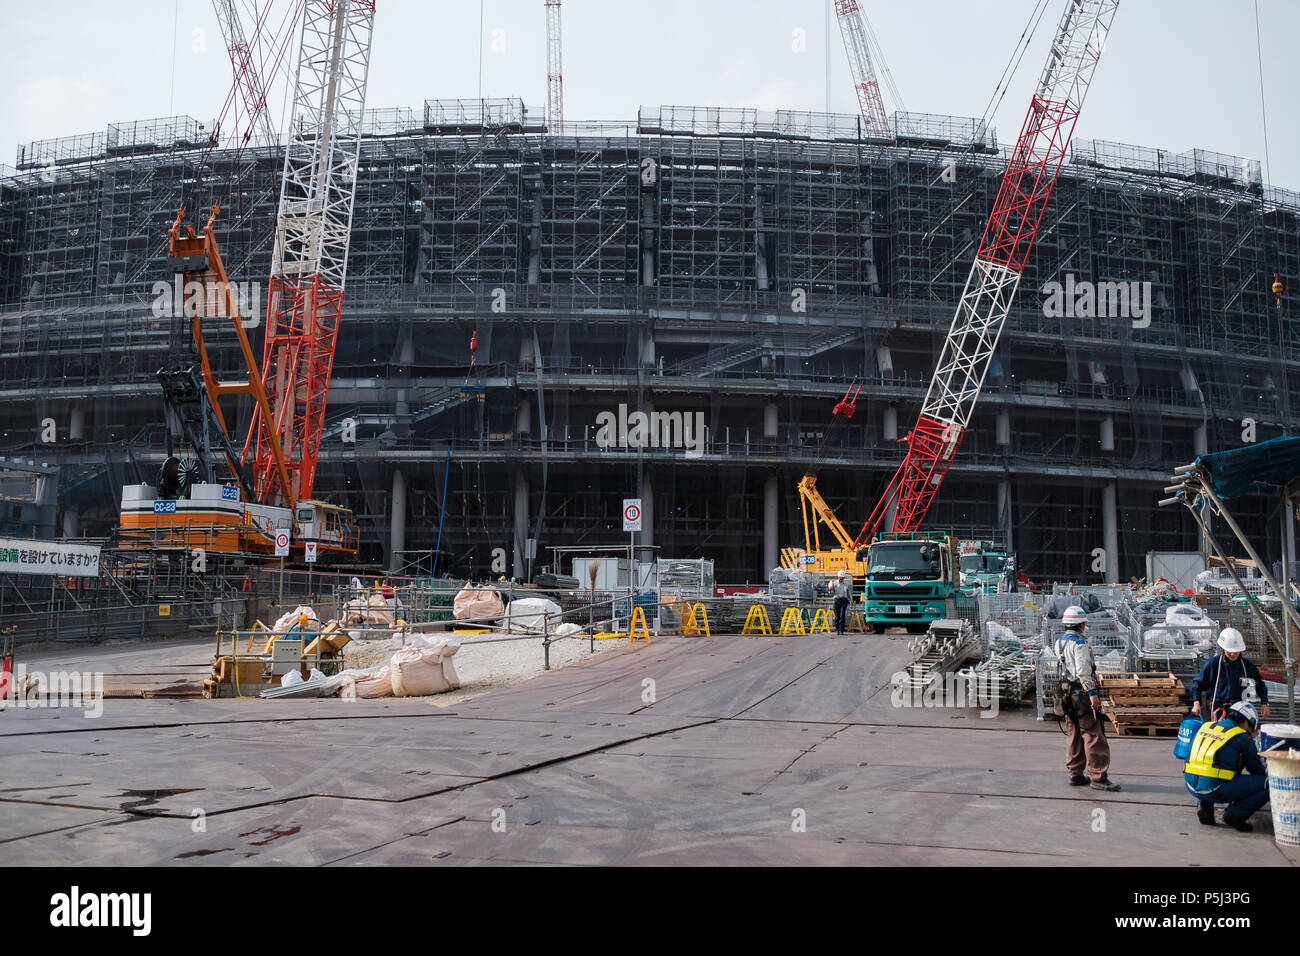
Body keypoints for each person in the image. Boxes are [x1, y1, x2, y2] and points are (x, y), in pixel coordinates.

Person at [1055, 606, 1121, 791]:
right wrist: (1092, 695)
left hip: (1066, 694)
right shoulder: (1080, 645)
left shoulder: (1059, 642)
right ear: (1080, 625)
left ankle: (1075, 773)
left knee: (1073, 732)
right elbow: (1083, 672)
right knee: (1093, 735)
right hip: (1081, 695)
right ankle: (1098, 777)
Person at [1183, 701, 1269, 832]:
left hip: (1190, 786)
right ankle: (1235, 814)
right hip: (1215, 789)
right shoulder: (1242, 737)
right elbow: (1256, 769)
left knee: (1207, 772)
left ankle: (1205, 806)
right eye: (1251, 728)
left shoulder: (1206, 726)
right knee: (1268, 784)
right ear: (1246, 723)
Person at [1190, 627, 1270, 720]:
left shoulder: (1247, 666)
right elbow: (1198, 684)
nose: (1233, 654)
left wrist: (1264, 703)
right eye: (1230, 651)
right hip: (1219, 711)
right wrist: (1196, 703)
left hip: (1241, 711)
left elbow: (1259, 684)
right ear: (1223, 649)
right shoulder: (1214, 664)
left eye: (1236, 651)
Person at [829, 570, 853, 635]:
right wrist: (830, 590)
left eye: (843, 577)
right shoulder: (834, 584)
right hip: (837, 600)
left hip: (844, 600)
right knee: (837, 616)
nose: (842, 578)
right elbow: (831, 593)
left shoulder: (846, 585)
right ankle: (837, 630)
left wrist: (851, 601)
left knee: (842, 616)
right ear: (838, 576)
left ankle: (841, 630)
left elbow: (849, 593)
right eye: (841, 577)